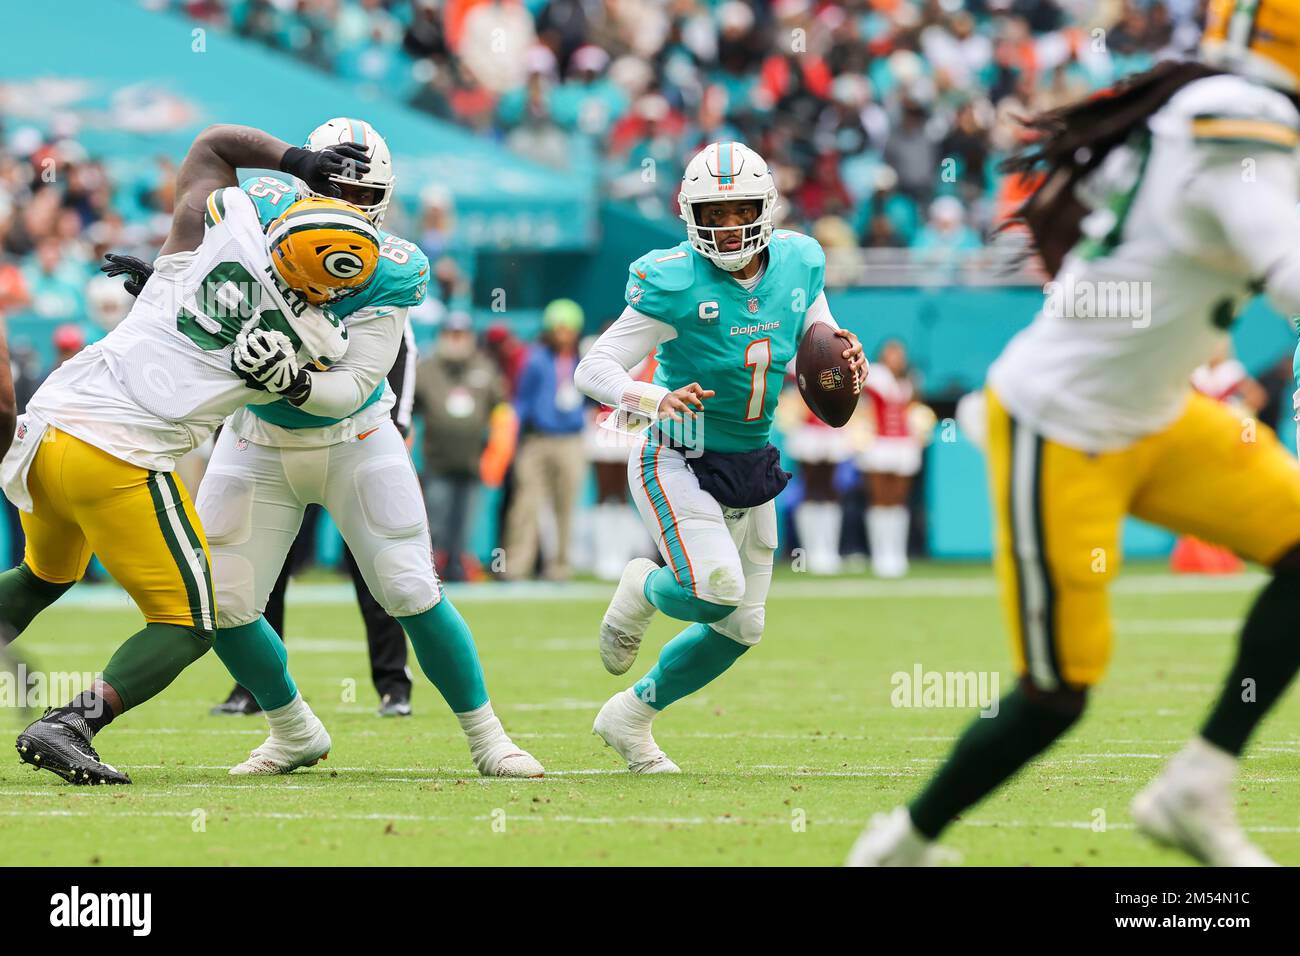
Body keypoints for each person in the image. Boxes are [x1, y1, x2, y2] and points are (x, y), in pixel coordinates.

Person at [850, 2, 1300, 866]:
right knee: (1057, 695)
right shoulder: (1239, 119)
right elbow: (1281, 263)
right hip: (1066, 424)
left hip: (1160, 411)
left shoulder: (1199, 103)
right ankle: (899, 846)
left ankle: (1195, 787)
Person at [3, 123, 377, 784]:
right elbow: (309, 385)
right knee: (188, 623)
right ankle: (71, 723)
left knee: (42, 577)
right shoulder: (317, 335)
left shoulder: (219, 225)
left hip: (49, 427)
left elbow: (212, 146)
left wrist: (301, 161)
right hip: (116, 456)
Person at [178, 118, 541, 778]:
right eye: (333, 187)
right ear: (304, 178)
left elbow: (352, 386)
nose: (348, 208)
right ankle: (291, 730)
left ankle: (489, 739)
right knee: (220, 603)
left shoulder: (394, 267)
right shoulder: (254, 215)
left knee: (409, 587)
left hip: (355, 439)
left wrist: (293, 378)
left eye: (363, 195)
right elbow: (200, 224)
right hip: (256, 439)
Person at [574, 141, 866, 772]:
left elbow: (820, 331)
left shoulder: (799, 261)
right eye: (715, 211)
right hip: (678, 454)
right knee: (714, 592)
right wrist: (650, 397)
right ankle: (643, 587)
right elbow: (591, 366)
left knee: (742, 627)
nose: (728, 225)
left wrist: (845, 356)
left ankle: (630, 718)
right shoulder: (674, 279)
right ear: (689, 214)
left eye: (740, 211)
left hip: (753, 457)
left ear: (765, 208)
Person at [414, 310, 505, 583]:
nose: (456, 340)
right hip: (437, 460)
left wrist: (497, 453)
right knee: (435, 518)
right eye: (451, 334)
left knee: (465, 521)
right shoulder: (426, 369)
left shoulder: (484, 368)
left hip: (472, 460)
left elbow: (501, 409)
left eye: (461, 334)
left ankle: (457, 567)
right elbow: (409, 407)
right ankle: (431, 571)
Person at [502, 298, 587, 581]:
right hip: (537, 439)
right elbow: (521, 400)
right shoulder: (535, 359)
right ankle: (517, 565)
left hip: (571, 441)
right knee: (526, 503)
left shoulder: (583, 360)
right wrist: (512, 438)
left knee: (566, 505)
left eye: (568, 328)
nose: (563, 334)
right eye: (558, 328)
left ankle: (560, 567)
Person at [859, 340, 922, 579]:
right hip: (879, 443)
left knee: (898, 500)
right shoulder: (875, 376)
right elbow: (863, 401)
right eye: (891, 353)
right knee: (880, 499)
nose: (896, 357)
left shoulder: (910, 380)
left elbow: (914, 410)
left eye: (900, 353)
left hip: (904, 445)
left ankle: (897, 553)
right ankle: (880, 554)